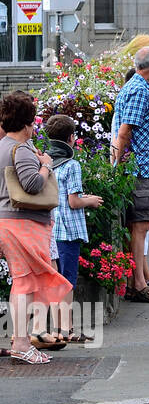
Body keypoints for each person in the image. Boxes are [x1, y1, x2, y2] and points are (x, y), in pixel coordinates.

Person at [0, 92, 72, 364]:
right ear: (27, 123)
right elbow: (32, 185)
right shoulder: (21, 149)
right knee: (24, 283)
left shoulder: (3, 145)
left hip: (9, 221)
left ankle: (20, 341)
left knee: (23, 281)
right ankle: (21, 344)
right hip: (22, 223)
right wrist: (45, 166)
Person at [110, 47, 149, 303]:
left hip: (140, 167)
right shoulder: (138, 90)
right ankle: (138, 284)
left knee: (139, 226)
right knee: (140, 226)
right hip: (139, 168)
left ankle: (141, 279)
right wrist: (113, 167)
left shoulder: (136, 87)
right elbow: (124, 132)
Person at [46, 114, 103, 343]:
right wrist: (90, 200)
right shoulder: (72, 165)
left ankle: (56, 327)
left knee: (54, 279)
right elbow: (73, 202)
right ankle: (67, 329)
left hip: (51, 229)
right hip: (68, 231)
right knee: (68, 280)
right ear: (71, 138)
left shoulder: (46, 162)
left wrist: (81, 197)